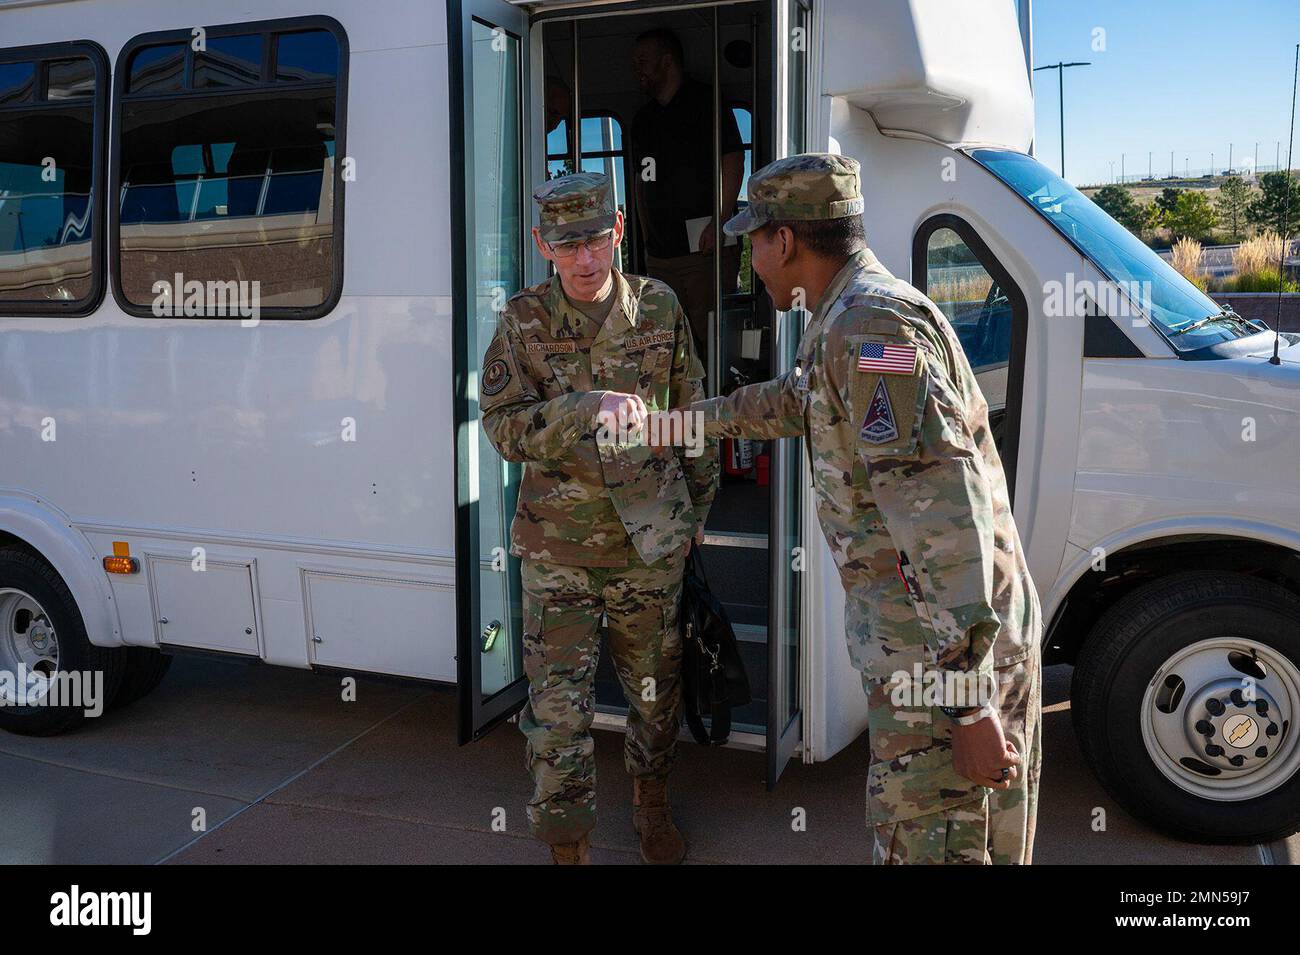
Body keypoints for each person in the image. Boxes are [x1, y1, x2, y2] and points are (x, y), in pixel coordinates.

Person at [663, 153, 1042, 864]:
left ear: (785, 241)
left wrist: (966, 702)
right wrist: (682, 422)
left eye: (753, 240)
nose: (751, 259)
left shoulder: (871, 331)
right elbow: (796, 400)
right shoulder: (850, 316)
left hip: (941, 665)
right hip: (933, 652)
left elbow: (939, 518)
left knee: (937, 847)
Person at [479, 172, 718, 864]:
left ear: (617, 227)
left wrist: (698, 505)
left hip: (648, 546)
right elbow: (502, 427)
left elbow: (691, 414)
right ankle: (569, 846)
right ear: (541, 244)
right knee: (557, 715)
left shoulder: (659, 307)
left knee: (654, 695)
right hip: (557, 551)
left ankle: (651, 804)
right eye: (566, 244)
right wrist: (582, 409)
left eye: (594, 240)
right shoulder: (522, 320)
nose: (584, 259)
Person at [629, 27, 745, 360]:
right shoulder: (643, 119)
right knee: (667, 343)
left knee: (710, 340)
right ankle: (678, 412)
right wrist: (645, 234)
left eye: (643, 61)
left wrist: (720, 222)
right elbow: (641, 180)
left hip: (704, 251)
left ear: (667, 62)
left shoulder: (707, 103)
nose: (637, 70)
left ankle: (714, 409)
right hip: (660, 255)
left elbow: (733, 161)